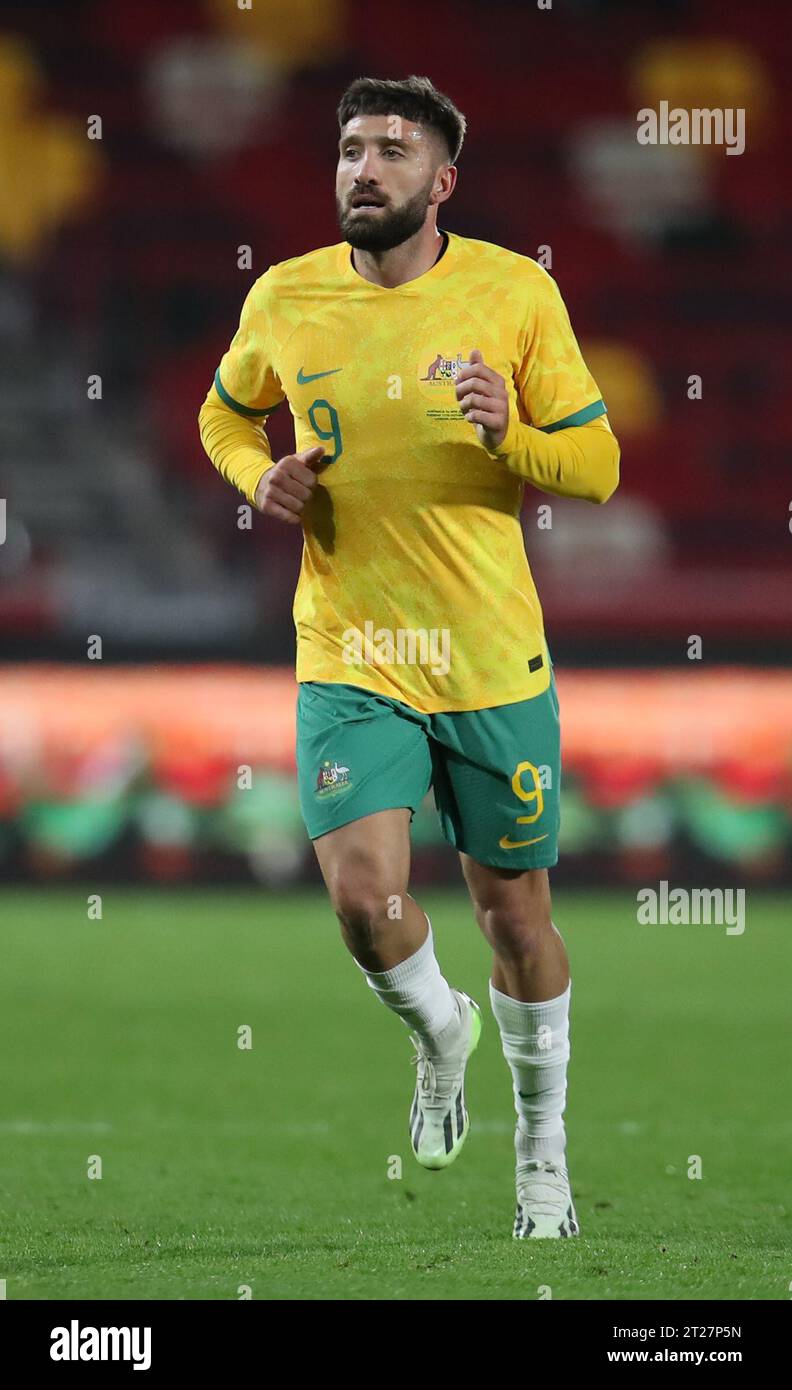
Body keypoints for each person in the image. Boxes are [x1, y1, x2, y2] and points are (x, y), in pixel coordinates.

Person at [199, 74, 620, 1239]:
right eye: (349, 147)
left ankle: (542, 1154)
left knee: (517, 919)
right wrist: (258, 477)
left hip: (490, 656)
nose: (362, 167)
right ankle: (442, 1033)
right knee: (366, 904)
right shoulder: (284, 299)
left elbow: (599, 466)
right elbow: (223, 416)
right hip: (352, 648)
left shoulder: (515, 291)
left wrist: (514, 432)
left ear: (442, 182)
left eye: (391, 150)